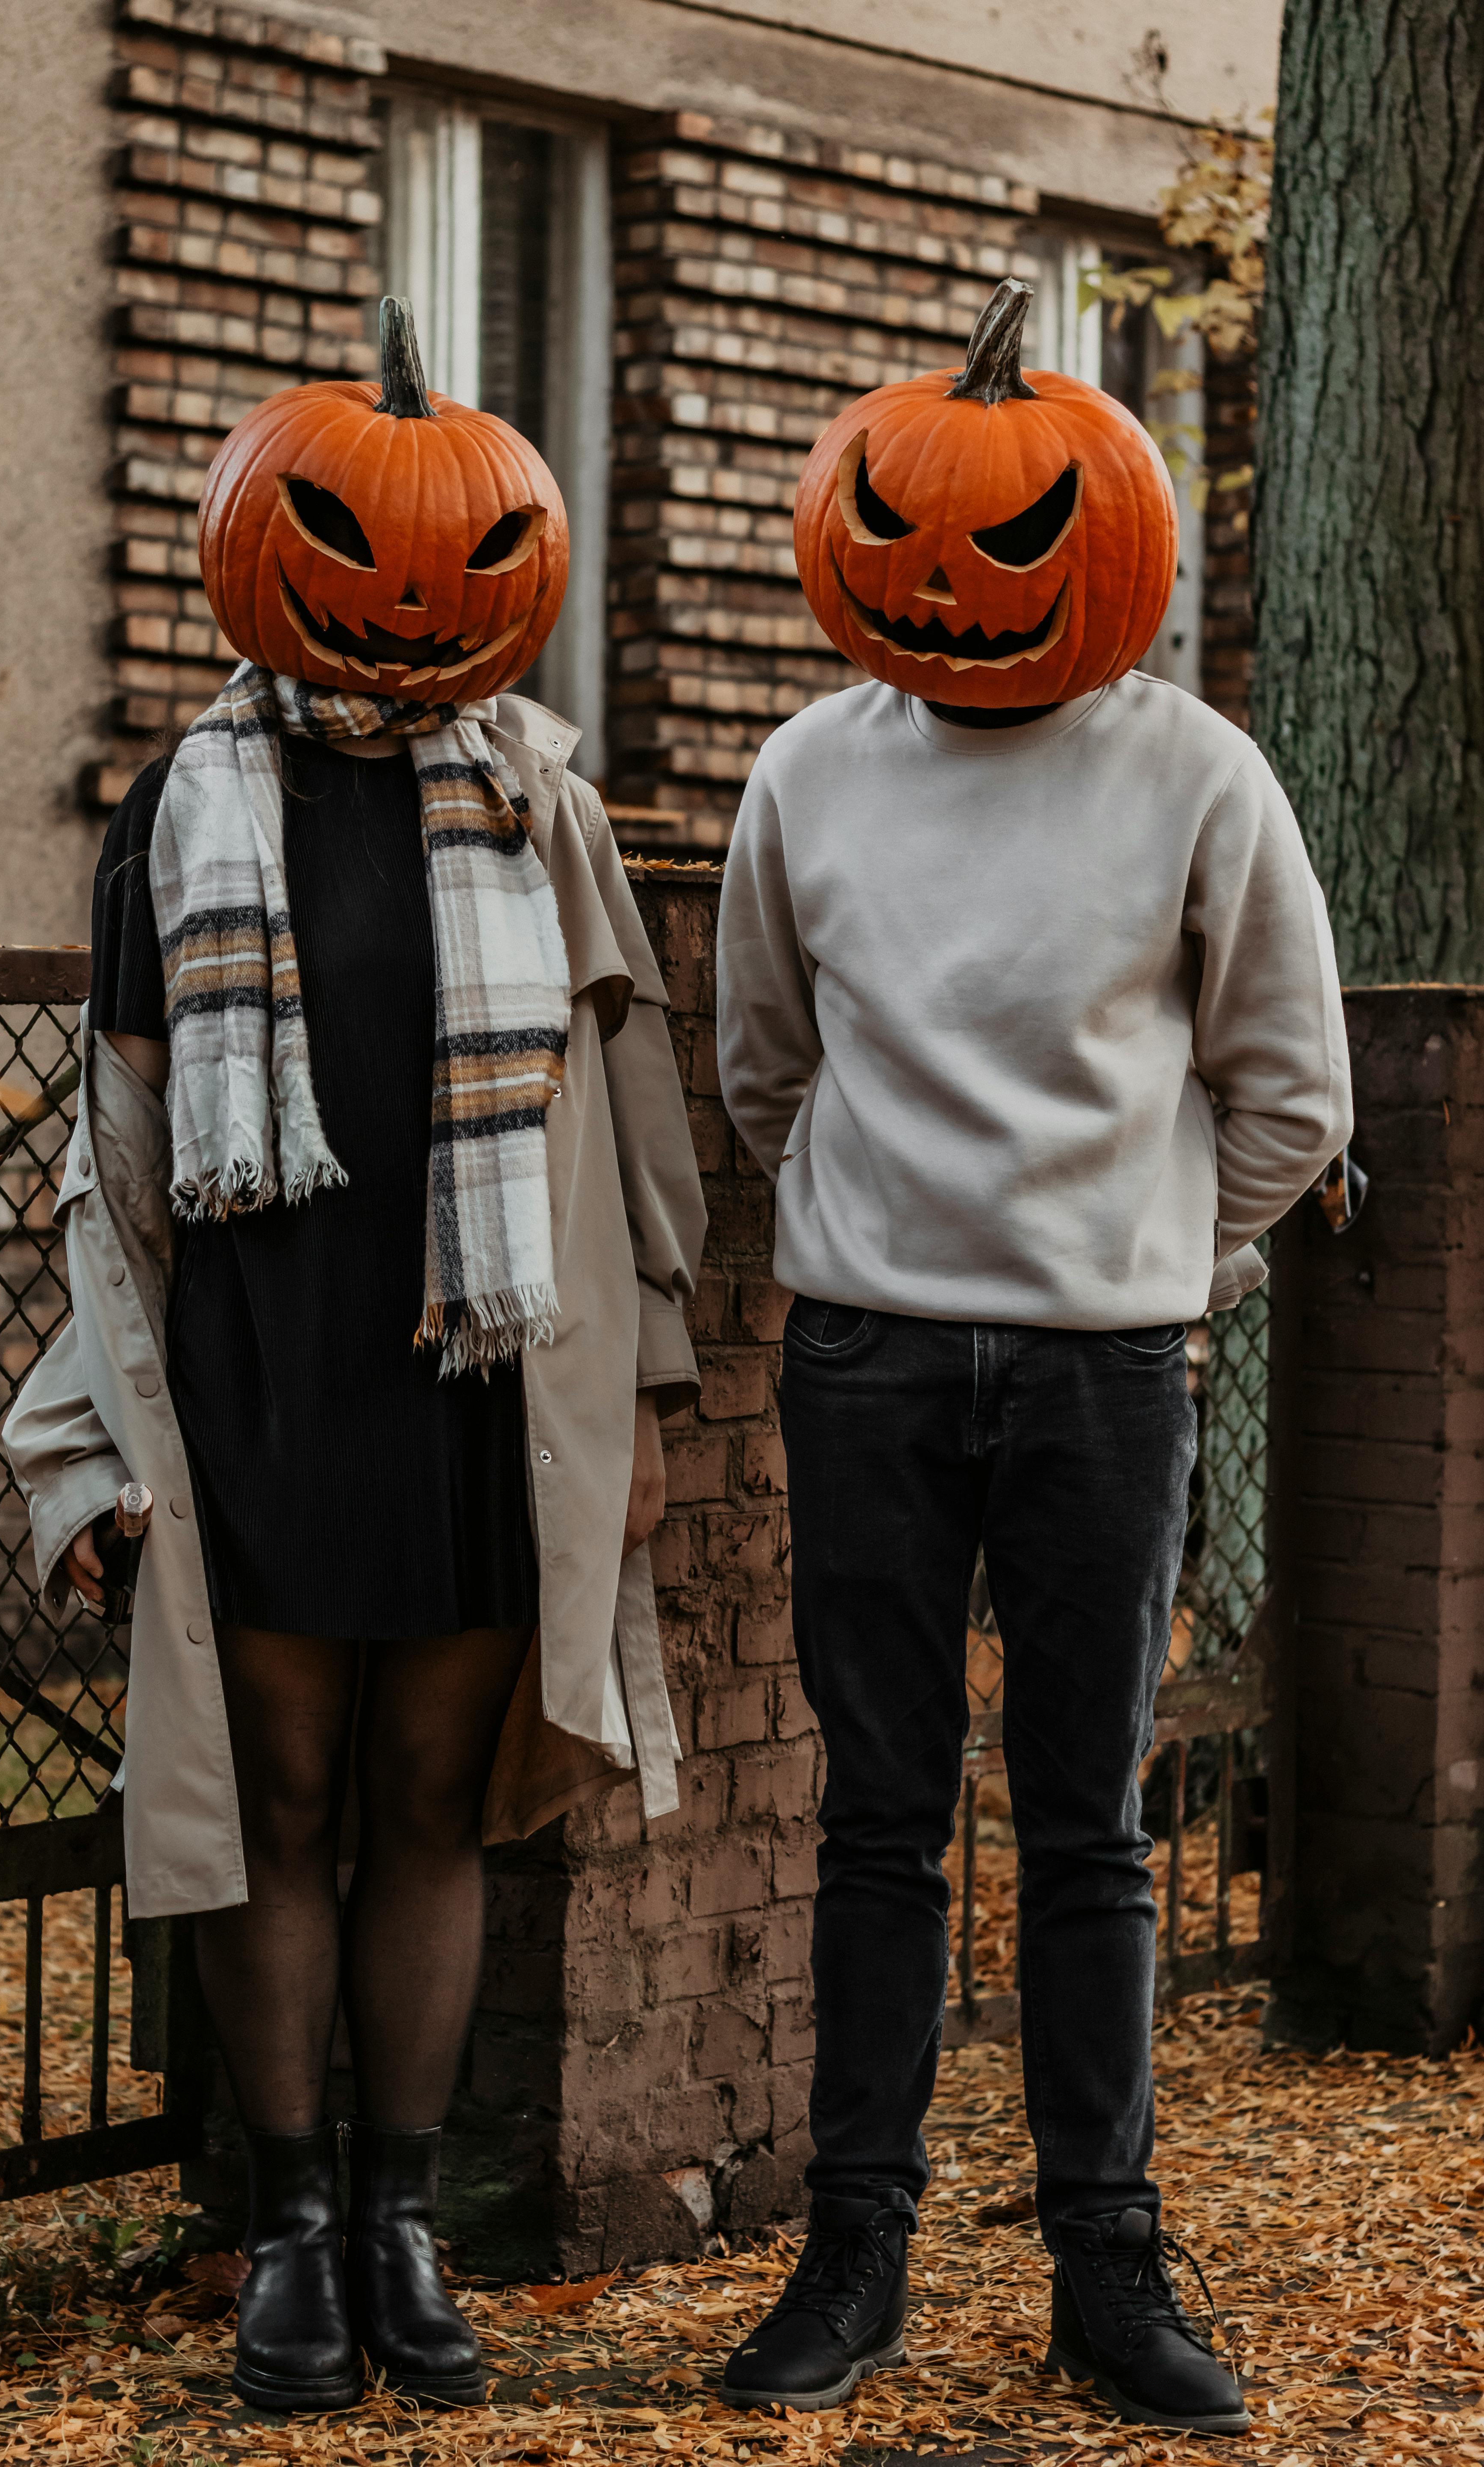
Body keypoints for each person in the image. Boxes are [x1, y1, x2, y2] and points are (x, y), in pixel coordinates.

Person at [4, 303, 705, 2419]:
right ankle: (290, 2226)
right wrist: (94, 1437)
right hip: (263, 1378)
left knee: (428, 1805)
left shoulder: (538, 803)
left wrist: (650, 1397)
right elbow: (116, 1152)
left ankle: (402, 2223)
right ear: (265, 547)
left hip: (488, 1380)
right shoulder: (183, 805)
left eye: (461, 555)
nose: (408, 595)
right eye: (354, 545)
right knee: (277, 1797)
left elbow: (631, 1126)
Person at [712, 278, 1351, 2436]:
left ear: (1107, 547)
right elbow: (761, 1067)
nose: (954, 576)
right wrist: (887, 1238)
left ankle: (1106, 2268)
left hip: (1102, 1377)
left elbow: (1288, 1095)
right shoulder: (808, 771)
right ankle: (852, 2258)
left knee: (1087, 1833)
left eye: (1008, 537)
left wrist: (1154, 1263)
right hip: (867, 1362)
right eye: (909, 532)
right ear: (847, 537)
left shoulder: (1195, 773)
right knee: (876, 1824)